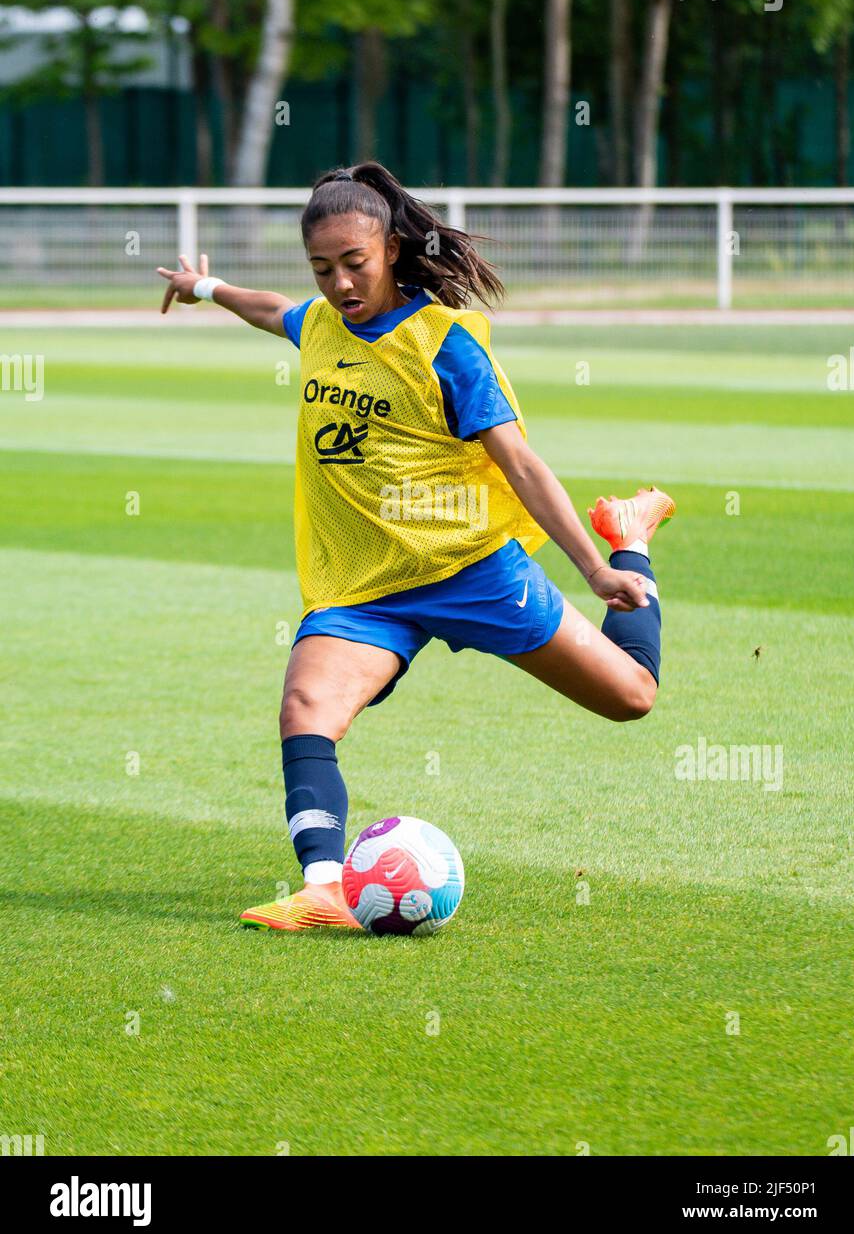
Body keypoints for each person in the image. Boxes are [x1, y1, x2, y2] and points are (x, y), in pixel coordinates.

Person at [157, 161, 676, 933]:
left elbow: (521, 463)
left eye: (354, 263)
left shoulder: (446, 345)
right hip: (365, 585)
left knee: (630, 698)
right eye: (321, 269)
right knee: (306, 707)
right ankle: (326, 890)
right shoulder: (321, 323)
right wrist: (206, 289)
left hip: (469, 569)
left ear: (393, 247)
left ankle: (633, 536)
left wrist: (598, 567)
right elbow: (273, 311)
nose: (338, 284)